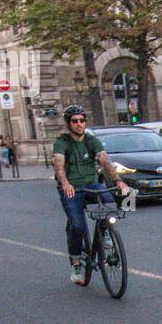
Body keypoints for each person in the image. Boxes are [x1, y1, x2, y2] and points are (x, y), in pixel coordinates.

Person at [52, 106, 128, 286]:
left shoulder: (91, 141)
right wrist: (65, 183)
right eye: (75, 121)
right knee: (77, 226)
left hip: (91, 184)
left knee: (109, 202)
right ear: (68, 123)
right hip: (71, 187)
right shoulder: (62, 142)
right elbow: (59, 165)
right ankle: (77, 264)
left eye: (82, 120)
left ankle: (105, 234)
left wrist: (118, 181)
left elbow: (104, 161)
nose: (79, 124)